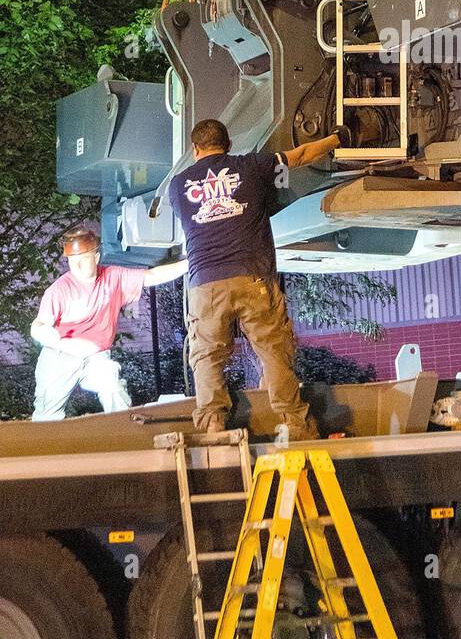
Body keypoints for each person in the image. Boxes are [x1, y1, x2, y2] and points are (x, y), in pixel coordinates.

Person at [168, 119, 348, 439]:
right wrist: (338, 138)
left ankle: (212, 422)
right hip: (253, 277)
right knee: (273, 351)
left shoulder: (177, 184)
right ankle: (293, 422)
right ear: (229, 144)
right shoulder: (250, 164)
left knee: (207, 355)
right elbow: (302, 154)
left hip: (205, 283)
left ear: (195, 150)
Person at [30, 227, 185, 421]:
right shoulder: (59, 290)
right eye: (72, 261)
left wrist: (191, 262)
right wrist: (52, 337)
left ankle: (126, 435)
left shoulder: (113, 277)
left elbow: (151, 276)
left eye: (83, 260)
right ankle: (43, 445)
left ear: (95, 258)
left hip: (96, 356)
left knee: (113, 387)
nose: (76, 266)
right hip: (60, 354)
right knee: (47, 414)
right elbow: (38, 325)